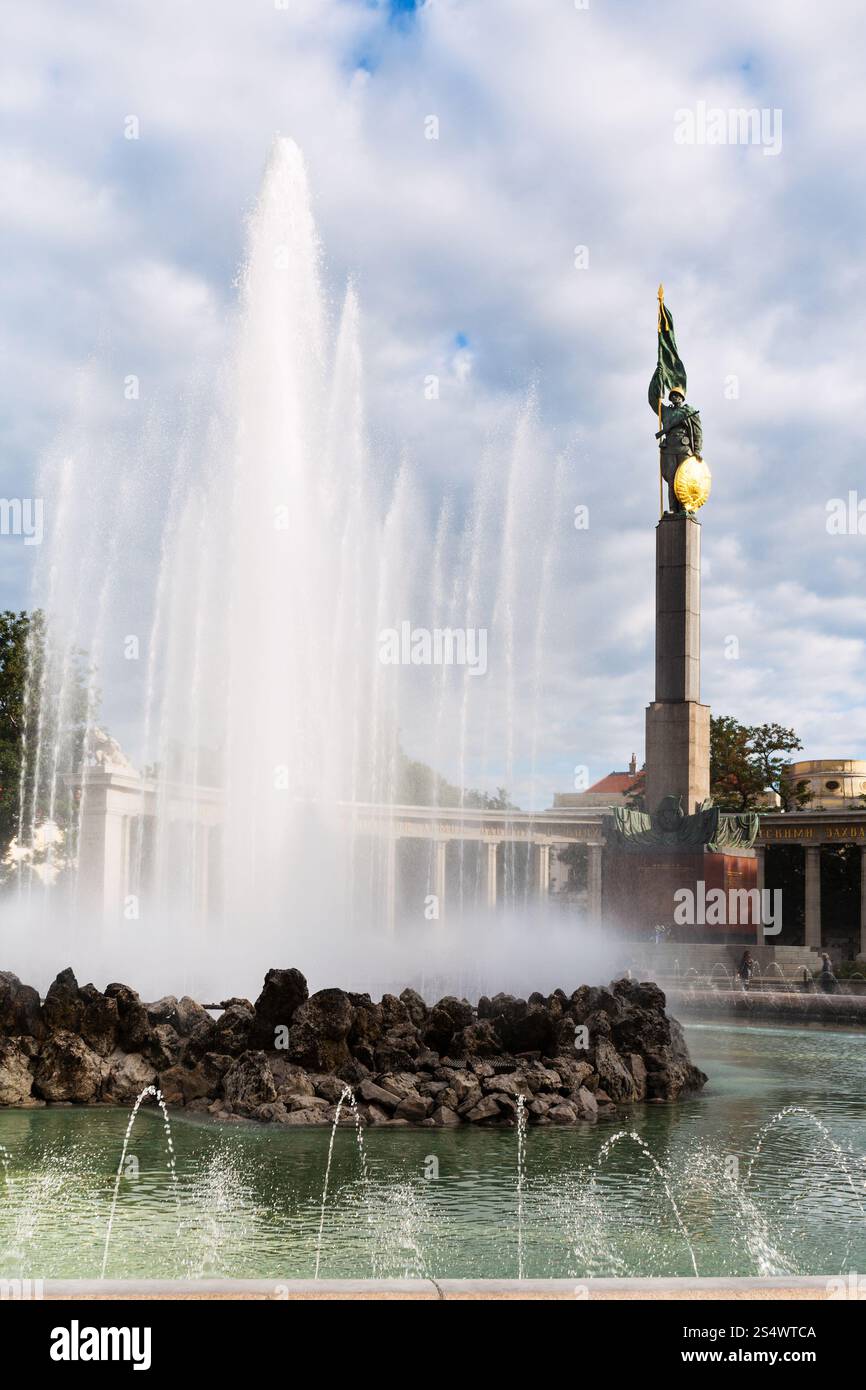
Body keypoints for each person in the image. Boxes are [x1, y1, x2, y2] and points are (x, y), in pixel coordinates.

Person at [648, 383, 703, 513]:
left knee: (684, 479)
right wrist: (658, 376)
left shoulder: (688, 411)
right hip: (669, 449)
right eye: (673, 395)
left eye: (678, 395)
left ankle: (685, 506)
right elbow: (652, 400)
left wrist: (698, 450)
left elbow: (697, 431)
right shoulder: (665, 411)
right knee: (672, 480)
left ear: (682, 398)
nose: (675, 397)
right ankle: (673, 509)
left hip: (684, 448)